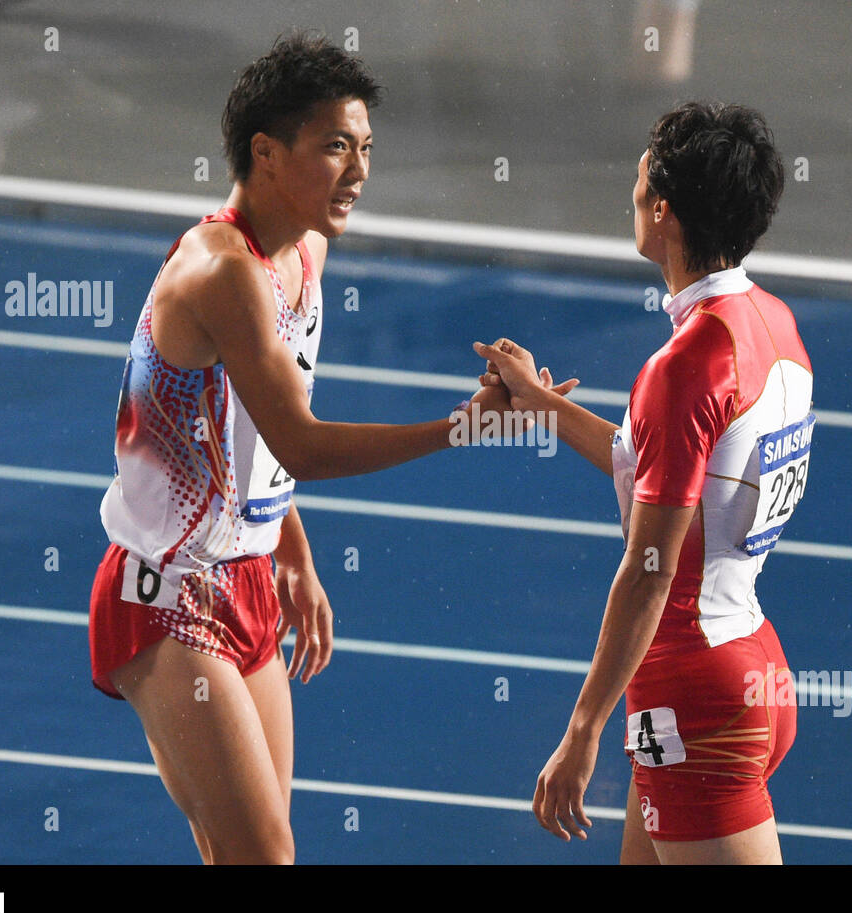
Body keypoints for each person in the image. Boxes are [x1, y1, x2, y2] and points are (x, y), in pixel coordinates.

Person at [87, 32, 539, 865]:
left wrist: (286, 540)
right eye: (335, 147)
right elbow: (304, 443)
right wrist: (465, 424)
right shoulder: (221, 270)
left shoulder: (306, 251)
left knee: (240, 854)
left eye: (366, 148)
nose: (359, 171)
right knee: (266, 853)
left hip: (247, 574)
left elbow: (255, 423)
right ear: (265, 152)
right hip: (168, 591)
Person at [475, 102, 810, 864]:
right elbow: (676, 475)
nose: (629, 196)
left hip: (692, 697)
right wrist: (543, 402)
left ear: (662, 209)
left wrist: (584, 727)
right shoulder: (773, 324)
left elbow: (649, 568)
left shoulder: (685, 365)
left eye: (635, 182)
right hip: (749, 662)